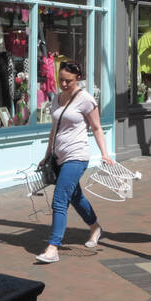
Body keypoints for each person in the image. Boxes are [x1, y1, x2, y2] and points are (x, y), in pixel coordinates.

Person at [35, 61, 112, 263]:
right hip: (58, 156)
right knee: (75, 197)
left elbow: (96, 128)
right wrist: (47, 155)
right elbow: (54, 129)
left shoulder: (85, 99)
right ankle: (95, 227)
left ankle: (53, 247)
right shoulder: (56, 98)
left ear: (77, 78)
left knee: (60, 199)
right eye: (60, 80)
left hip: (77, 156)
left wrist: (105, 153)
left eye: (68, 80)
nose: (64, 84)